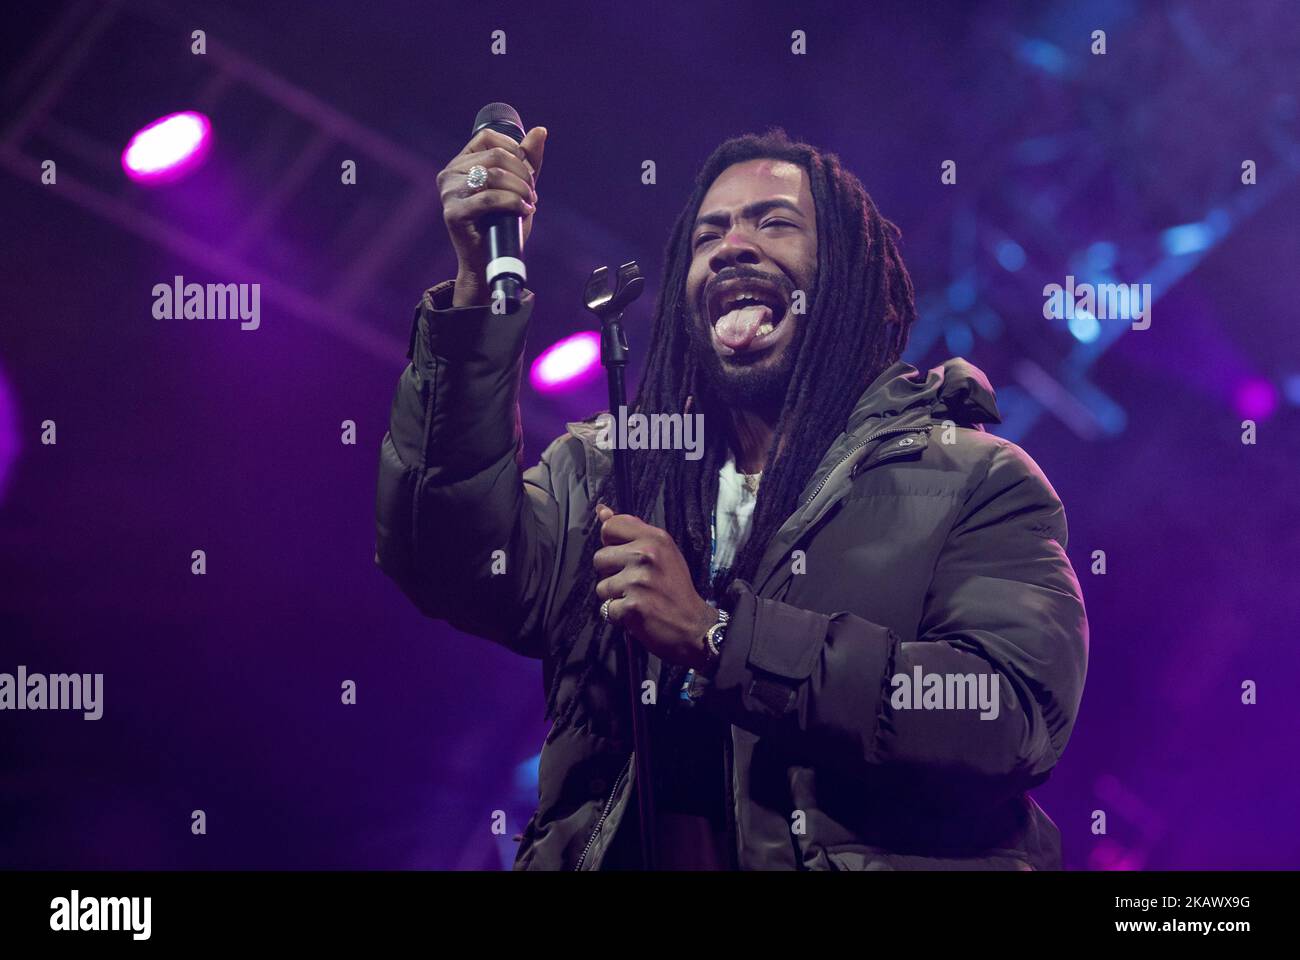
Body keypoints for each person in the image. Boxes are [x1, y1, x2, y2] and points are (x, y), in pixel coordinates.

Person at [374, 124, 1089, 870]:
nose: (732, 245)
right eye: (707, 233)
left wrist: (721, 640)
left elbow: (1007, 714)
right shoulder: (614, 473)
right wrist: (472, 296)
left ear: (846, 274)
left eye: (774, 222)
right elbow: (441, 554)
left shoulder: (973, 479)